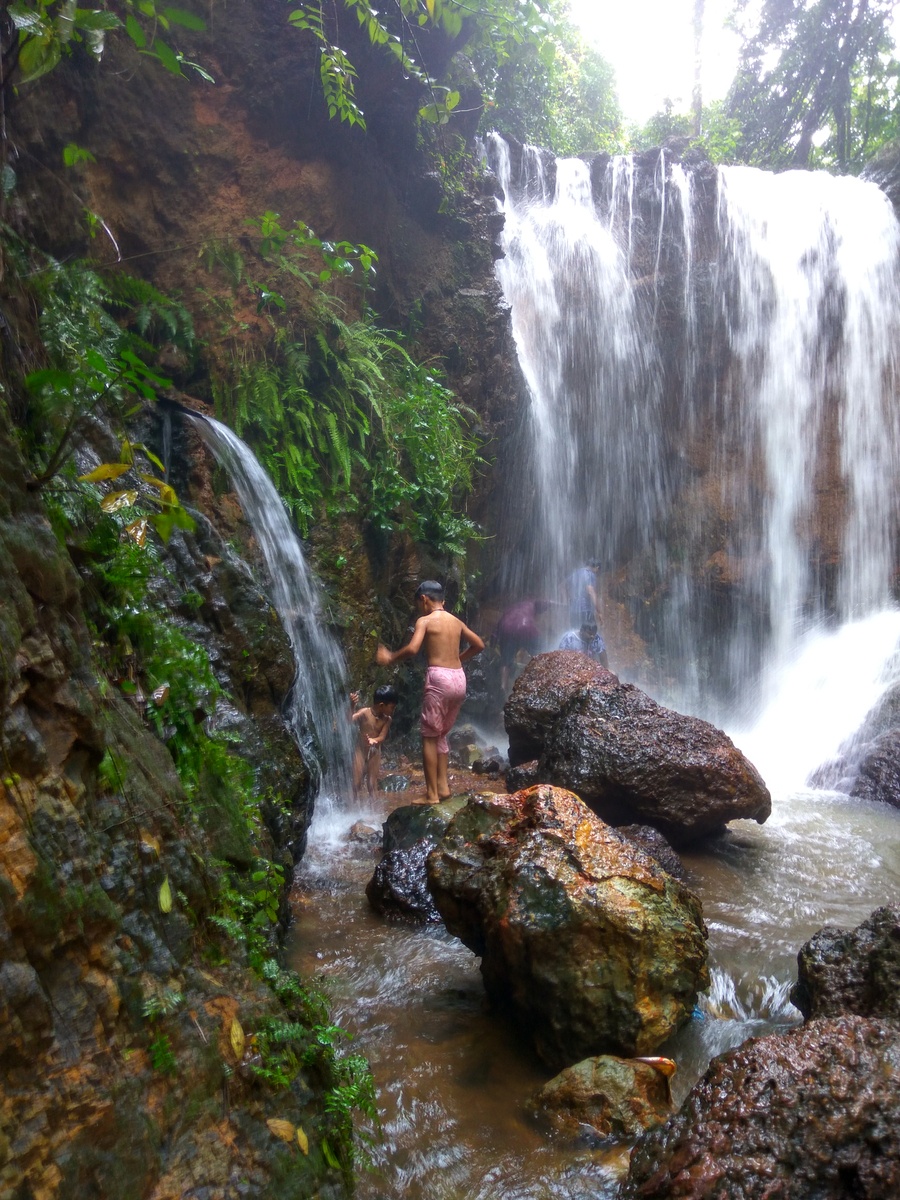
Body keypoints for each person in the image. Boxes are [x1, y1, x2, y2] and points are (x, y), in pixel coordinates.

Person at [376, 580, 484, 805]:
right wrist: (457, 660)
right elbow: (479, 645)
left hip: (439, 681)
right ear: (441, 600)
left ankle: (432, 794)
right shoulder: (456, 621)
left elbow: (414, 649)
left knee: (428, 737)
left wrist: (390, 657)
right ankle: (443, 788)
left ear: (424, 599)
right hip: (458, 680)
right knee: (441, 734)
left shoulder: (424, 620)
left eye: (419, 604)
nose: (419, 609)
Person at [350, 684, 399, 800]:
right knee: (356, 783)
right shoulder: (364, 713)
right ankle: (351, 810)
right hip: (360, 751)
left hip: (375, 752)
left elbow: (382, 737)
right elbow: (349, 719)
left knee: (372, 784)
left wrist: (374, 740)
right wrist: (351, 705)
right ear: (382, 705)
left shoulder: (387, 719)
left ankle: (374, 812)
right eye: (392, 707)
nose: (393, 710)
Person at [496, 598, 550, 692]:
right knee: (541, 655)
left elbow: (502, 620)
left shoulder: (518, 606)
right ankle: (542, 682)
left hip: (506, 627)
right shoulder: (534, 609)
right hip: (526, 628)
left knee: (505, 661)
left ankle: (503, 686)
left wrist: (495, 635)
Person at [567, 561, 601, 627]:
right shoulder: (590, 574)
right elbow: (590, 591)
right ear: (597, 568)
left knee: (576, 633)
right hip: (585, 609)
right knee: (590, 632)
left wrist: (568, 599)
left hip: (573, 611)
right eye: (598, 571)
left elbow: (562, 586)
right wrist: (599, 612)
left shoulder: (576, 573)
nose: (597, 573)